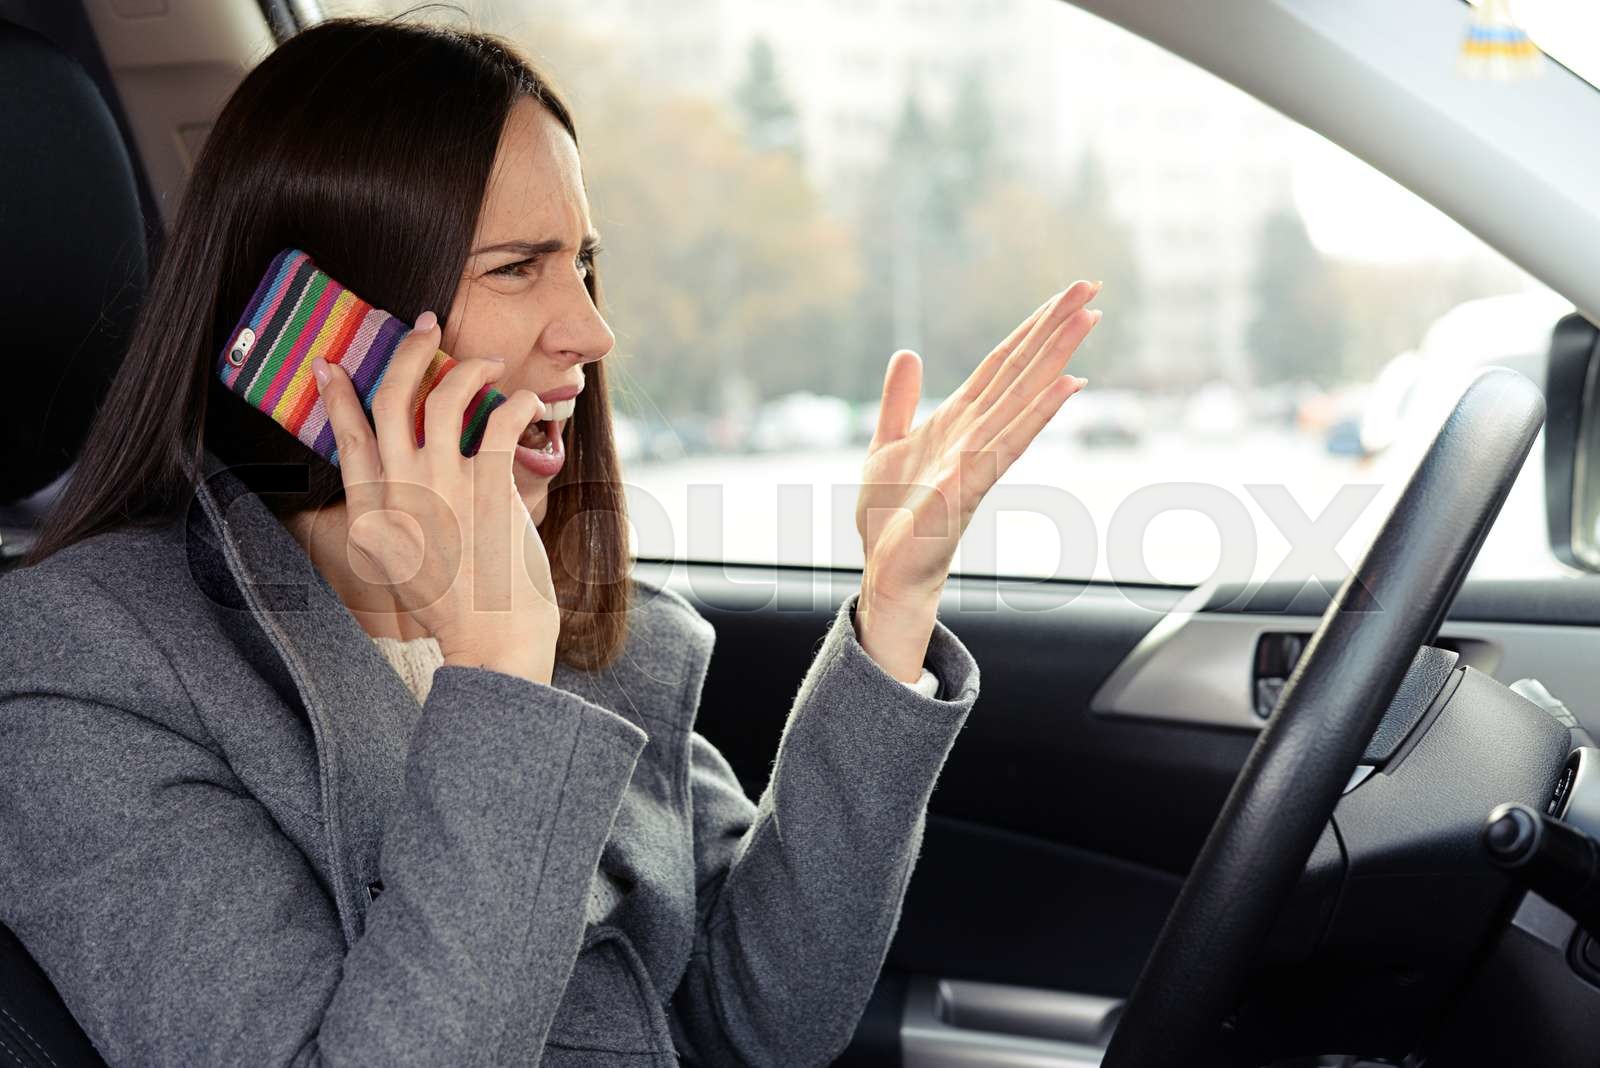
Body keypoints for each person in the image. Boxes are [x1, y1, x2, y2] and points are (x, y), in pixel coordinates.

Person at [0, 14, 1099, 1067]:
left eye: (582, 262)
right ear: (332, 321)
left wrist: (892, 608)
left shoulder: (584, 614)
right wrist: (497, 678)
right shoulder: (91, 664)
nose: (591, 330)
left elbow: (765, 1022)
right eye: (517, 267)